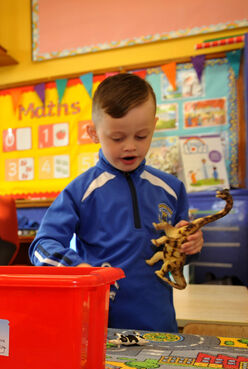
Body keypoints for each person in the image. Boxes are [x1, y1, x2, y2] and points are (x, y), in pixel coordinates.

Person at [29, 73, 203, 332]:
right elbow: (41, 247)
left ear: (154, 127)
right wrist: (77, 268)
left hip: (160, 325)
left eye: (141, 136)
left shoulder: (172, 188)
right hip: (101, 327)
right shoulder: (80, 191)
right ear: (94, 133)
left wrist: (193, 246)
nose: (130, 147)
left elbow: (178, 260)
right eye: (118, 138)